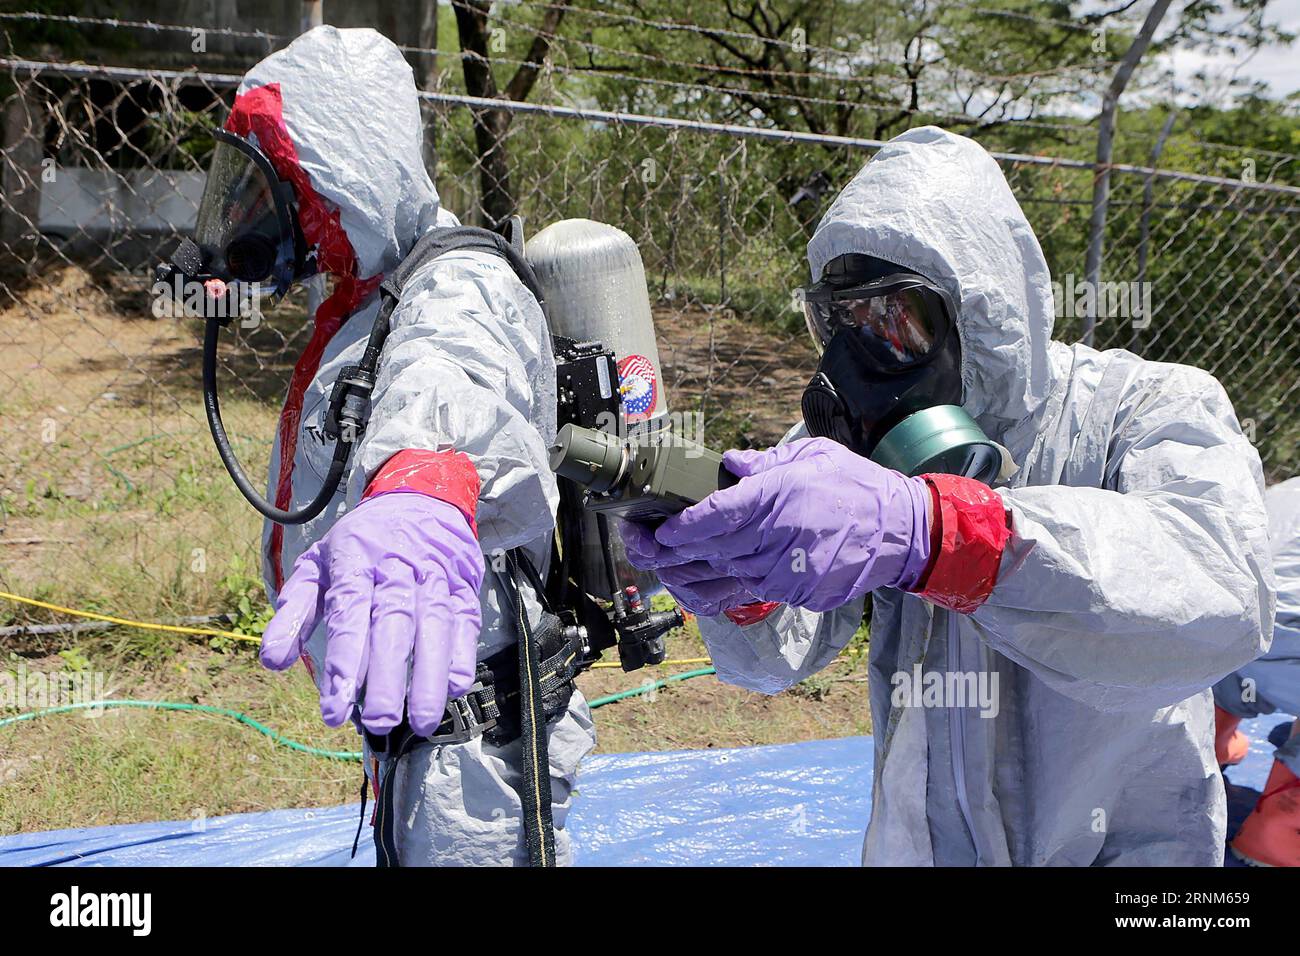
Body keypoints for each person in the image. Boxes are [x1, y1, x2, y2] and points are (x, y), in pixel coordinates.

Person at [624, 126, 1275, 866]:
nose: (851, 359)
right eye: (837, 321)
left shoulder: (1145, 409)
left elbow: (1221, 598)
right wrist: (743, 582)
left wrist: (946, 534)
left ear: (983, 314)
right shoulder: (867, 454)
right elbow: (773, 665)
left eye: (890, 320)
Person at [200, 26, 594, 865]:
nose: (259, 214)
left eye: (283, 187)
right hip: (418, 738)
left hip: (477, 753)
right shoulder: (363, 300)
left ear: (345, 179)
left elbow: (450, 378)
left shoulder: (457, 282)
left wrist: (423, 482)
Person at [1215, 476, 1300, 866]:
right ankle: (1274, 841)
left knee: (1237, 656)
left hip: (1216, 575)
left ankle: (1212, 737)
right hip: (1274, 622)